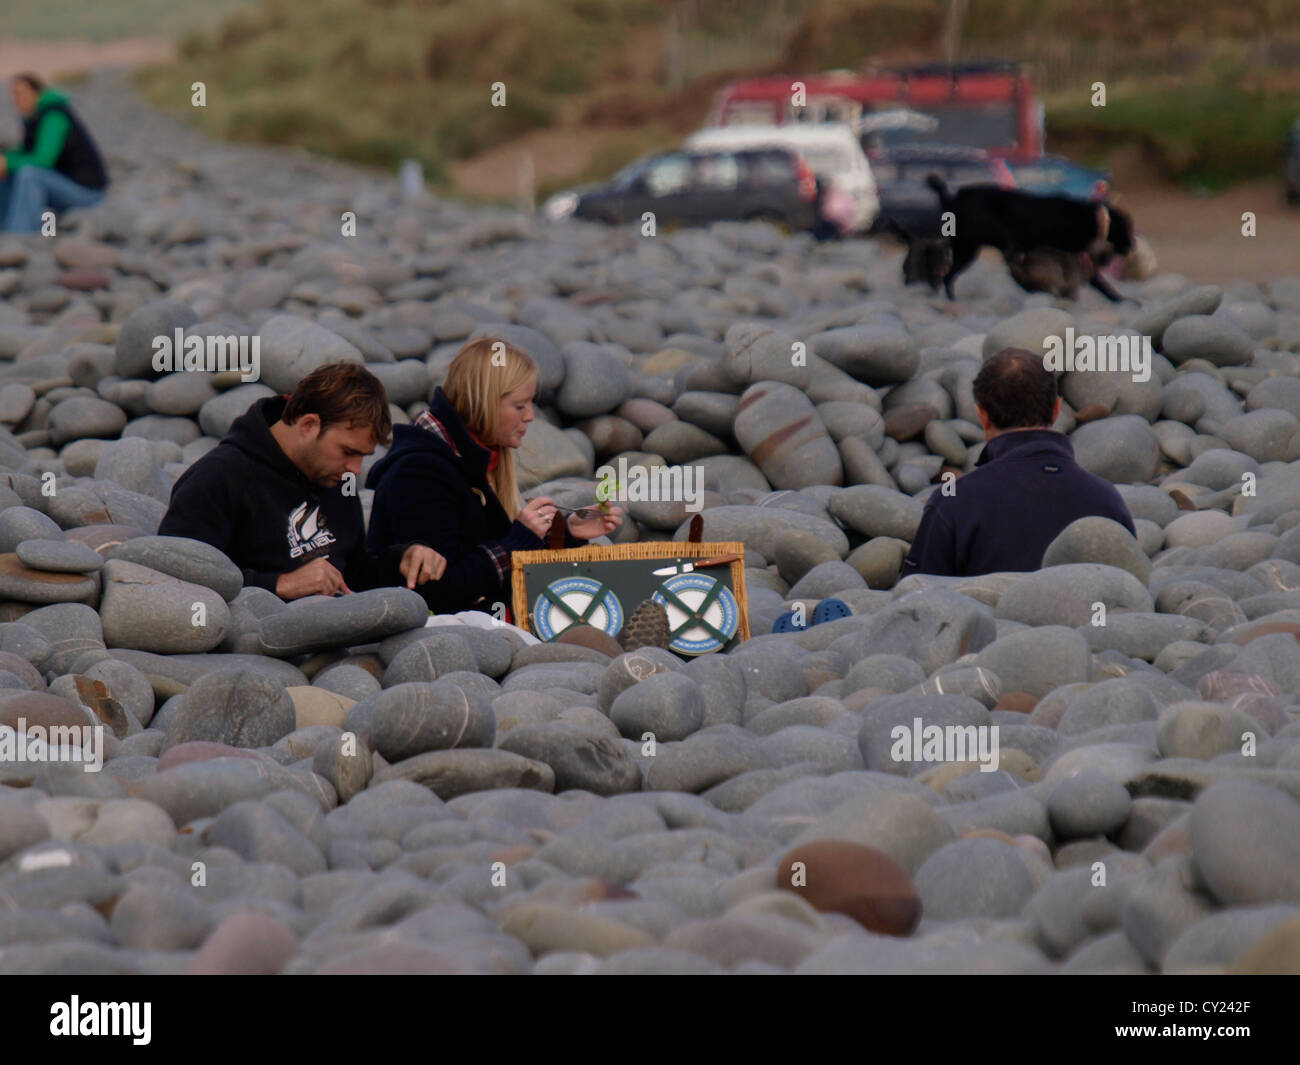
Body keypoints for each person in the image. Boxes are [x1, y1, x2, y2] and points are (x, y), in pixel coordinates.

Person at [366, 337, 624, 618]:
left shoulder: (476, 455)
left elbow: (486, 547)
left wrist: (565, 534)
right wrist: (520, 540)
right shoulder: (419, 473)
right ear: (485, 403)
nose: (530, 417)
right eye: (520, 406)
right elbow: (437, 593)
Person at [159, 362, 446, 600]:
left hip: (333, 636)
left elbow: (352, 570)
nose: (356, 470)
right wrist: (281, 584)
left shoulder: (335, 475)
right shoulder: (217, 478)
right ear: (308, 425)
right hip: (253, 651)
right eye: (348, 452)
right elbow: (176, 580)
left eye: (363, 456)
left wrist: (403, 559)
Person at [902, 347, 1136, 577]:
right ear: (1056, 410)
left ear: (982, 416)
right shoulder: (1106, 499)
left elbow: (918, 597)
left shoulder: (954, 500)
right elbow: (1132, 595)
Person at [1, 74, 108, 233]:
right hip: (61, 184)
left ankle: (19, 233)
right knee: (7, 173)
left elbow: (44, 159)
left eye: (21, 93)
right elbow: (25, 152)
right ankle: (5, 227)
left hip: (85, 191)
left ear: (37, 93)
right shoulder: (34, 118)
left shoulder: (54, 116)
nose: (16, 99)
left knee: (29, 173)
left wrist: (7, 162)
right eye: (14, 94)